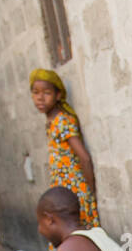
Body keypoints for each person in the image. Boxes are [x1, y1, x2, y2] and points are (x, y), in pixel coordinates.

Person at [30, 69, 100, 229]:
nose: (40, 98)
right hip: (63, 193)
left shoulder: (63, 120)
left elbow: (84, 157)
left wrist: (90, 193)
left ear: (58, 95)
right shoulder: (52, 121)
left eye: (47, 93)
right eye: (35, 93)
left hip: (75, 191)